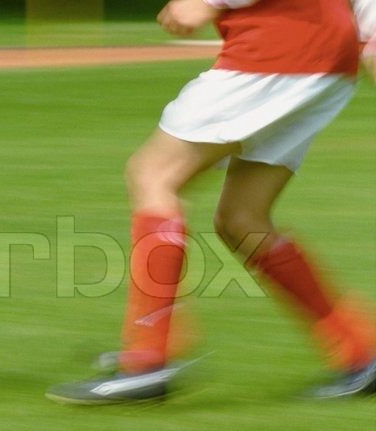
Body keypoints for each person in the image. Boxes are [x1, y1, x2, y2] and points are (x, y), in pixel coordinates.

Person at [47, 0, 376, 404]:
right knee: (243, 220)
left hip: (279, 43)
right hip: (330, 59)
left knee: (154, 176)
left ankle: (148, 358)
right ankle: (363, 350)